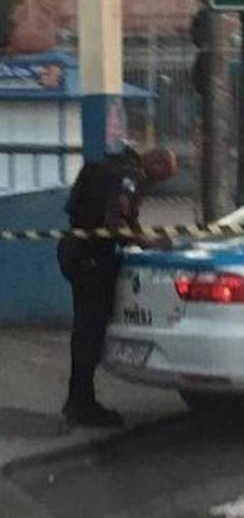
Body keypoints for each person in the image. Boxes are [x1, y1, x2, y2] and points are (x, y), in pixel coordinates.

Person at [56, 145, 177, 427]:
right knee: (90, 332)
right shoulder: (129, 176)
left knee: (85, 330)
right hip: (93, 259)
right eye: (161, 177)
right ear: (155, 164)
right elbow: (116, 223)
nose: (157, 184)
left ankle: (79, 399)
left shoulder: (107, 165)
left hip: (76, 252)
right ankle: (81, 403)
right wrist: (150, 243)